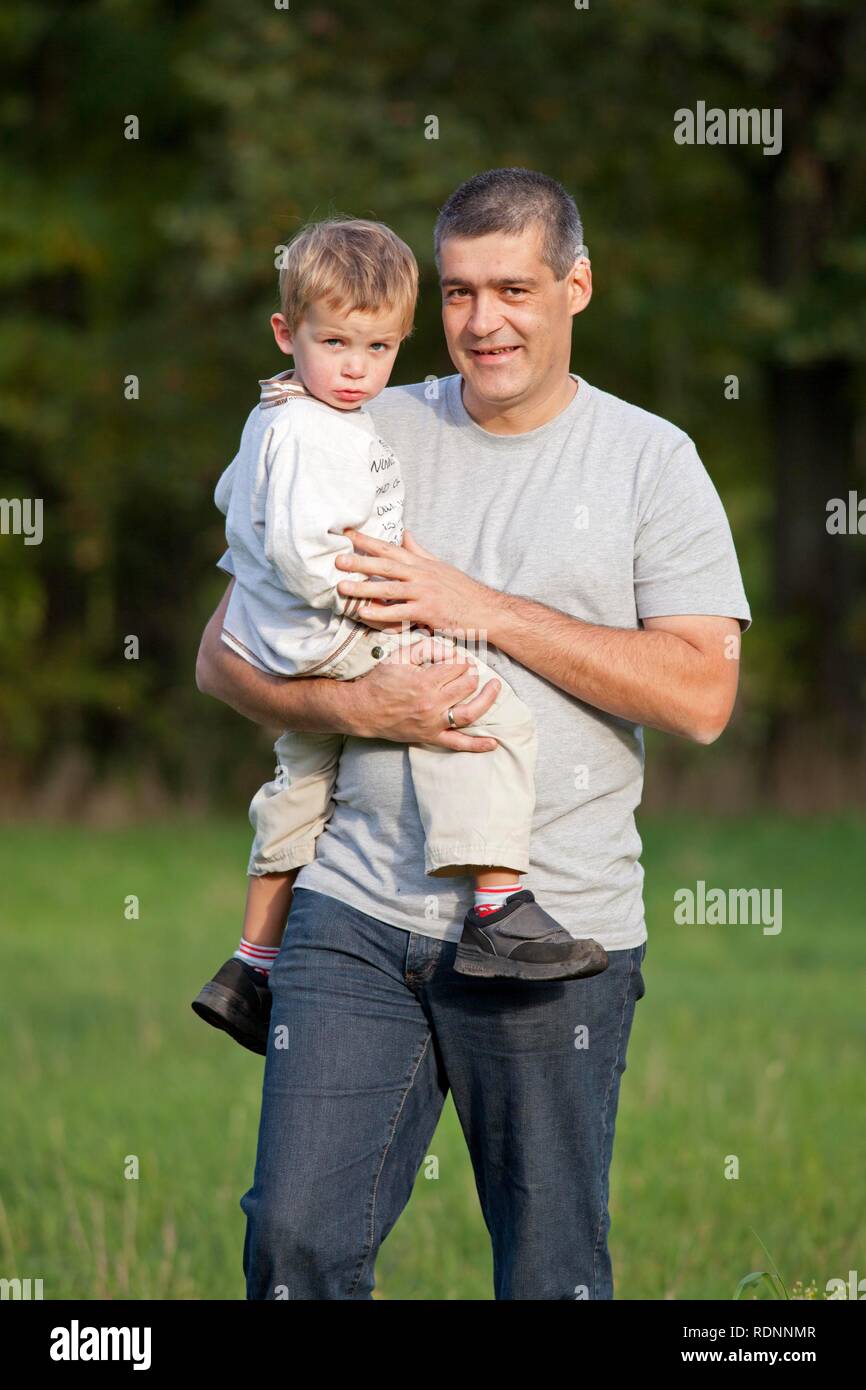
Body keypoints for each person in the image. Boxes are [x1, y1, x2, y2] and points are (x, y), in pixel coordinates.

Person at [196, 167, 751, 1300]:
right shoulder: (359, 414)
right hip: (353, 914)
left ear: (574, 287)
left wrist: (481, 606)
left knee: (548, 1276)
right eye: (456, 293)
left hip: (558, 935)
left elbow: (700, 694)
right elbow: (221, 657)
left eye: (512, 289)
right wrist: (354, 709)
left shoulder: (650, 461)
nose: (480, 322)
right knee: (294, 1241)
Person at [192, 217, 610, 1057]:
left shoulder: (279, 412)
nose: (359, 369)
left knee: (301, 777)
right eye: (338, 344)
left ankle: (248, 964)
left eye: (379, 349)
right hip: (341, 629)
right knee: (484, 714)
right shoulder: (315, 429)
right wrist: (371, 601)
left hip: (283, 638)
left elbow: (231, 500)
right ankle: (498, 908)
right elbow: (299, 549)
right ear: (287, 333)